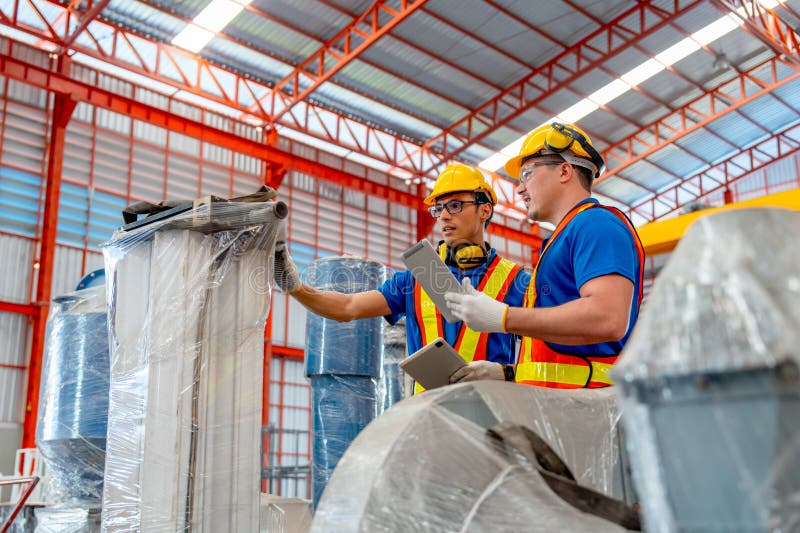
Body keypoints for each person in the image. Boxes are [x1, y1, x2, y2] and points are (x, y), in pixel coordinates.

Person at [273, 163, 531, 388]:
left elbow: (553, 355)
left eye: (455, 205)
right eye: (438, 208)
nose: (443, 216)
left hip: (492, 416)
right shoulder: (419, 276)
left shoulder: (516, 281)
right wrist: (294, 285)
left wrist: (505, 373)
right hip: (427, 418)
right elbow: (347, 307)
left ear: (485, 210)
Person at [445, 122, 645, 389]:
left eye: (526, 173)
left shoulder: (596, 225)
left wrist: (504, 318)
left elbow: (607, 317)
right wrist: (506, 372)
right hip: (567, 409)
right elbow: (566, 357)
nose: (519, 188)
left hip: (586, 414)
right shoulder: (565, 237)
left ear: (564, 171)